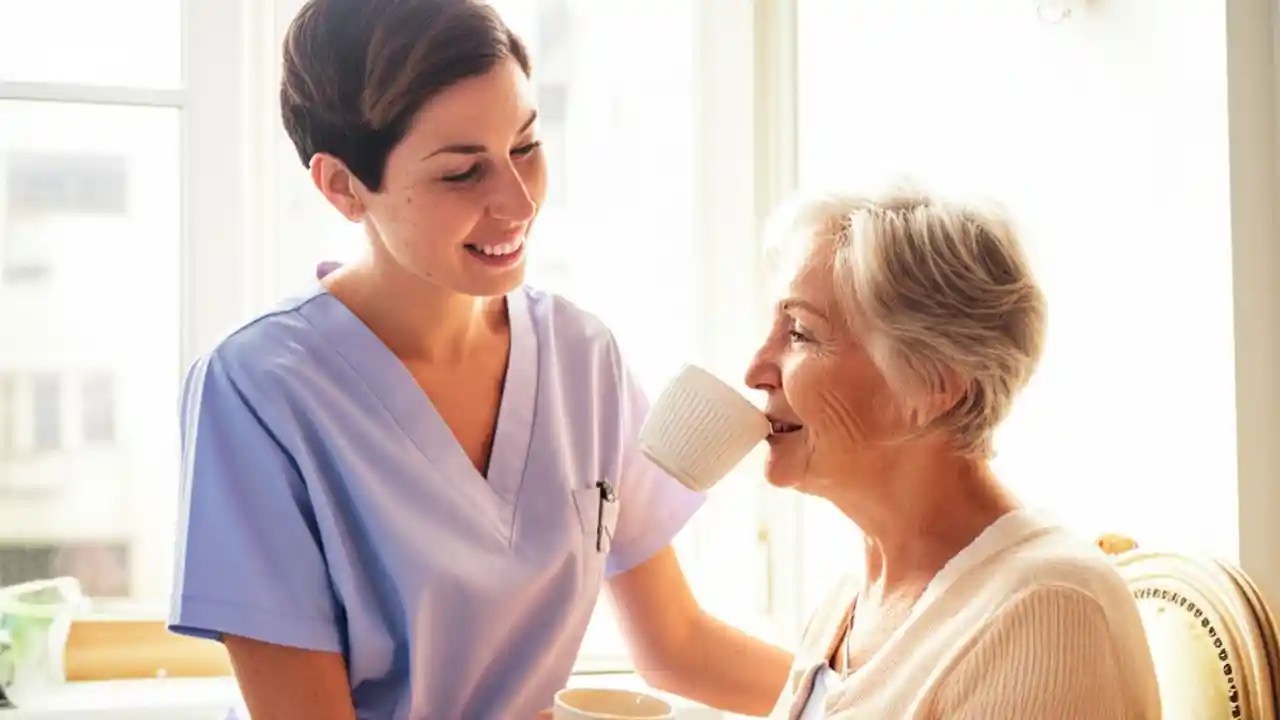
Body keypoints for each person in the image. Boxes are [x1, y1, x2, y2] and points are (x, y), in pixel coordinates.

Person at [167, 1, 791, 718]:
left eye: (526, 147)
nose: (518, 201)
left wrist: (883, 698)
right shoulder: (257, 391)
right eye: (462, 174)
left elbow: (677, 643)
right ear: (342, 186)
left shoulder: (582, 357)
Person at [744, 188, 1161, 718]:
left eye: (800, 333)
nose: (755, 369)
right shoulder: (853, 598)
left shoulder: (1046, 610)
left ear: (934, 383)